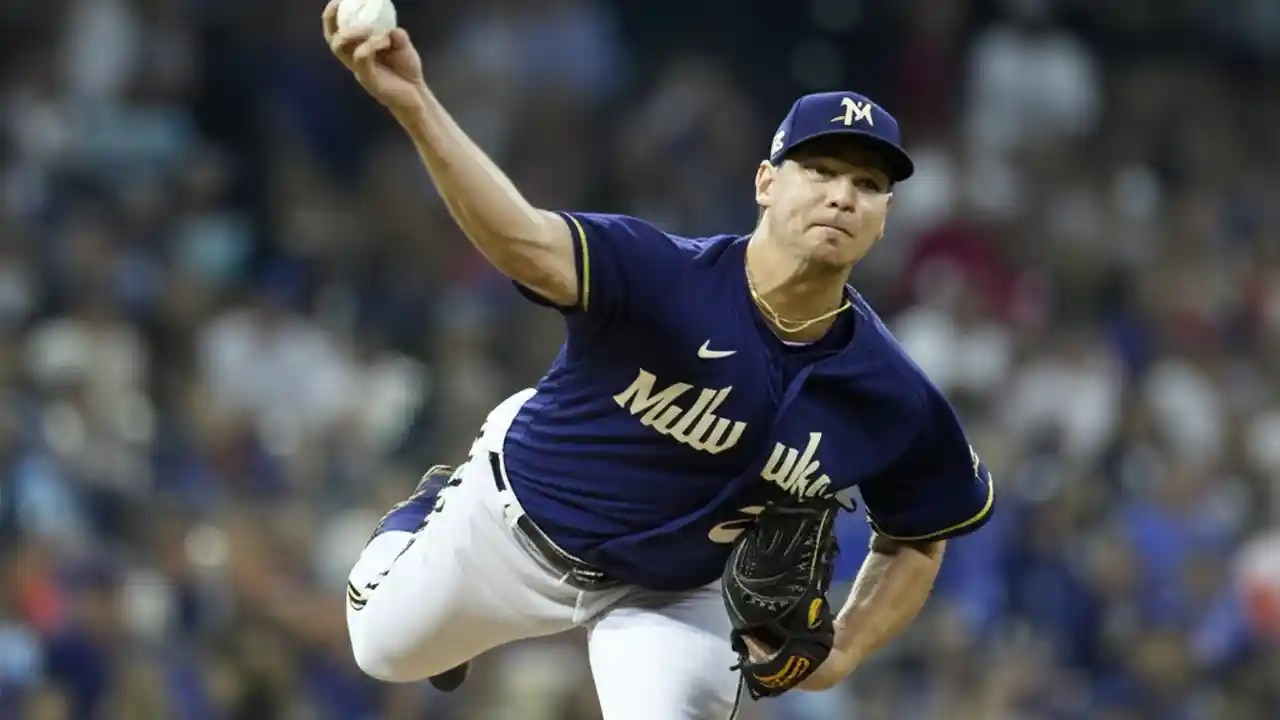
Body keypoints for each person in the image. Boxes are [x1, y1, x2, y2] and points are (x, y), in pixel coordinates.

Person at [324, 5, 995, 718]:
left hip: (676, 596)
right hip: (513, 526)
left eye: (867, 185)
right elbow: (521, 242)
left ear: (886, 213)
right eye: (822, 169)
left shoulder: (890, 391)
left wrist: (845, 651)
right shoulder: (659, 274)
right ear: (766, 183)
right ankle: (433, 502)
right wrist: (417, 105)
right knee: (381, 648)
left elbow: (922, 534)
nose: (841, 195)